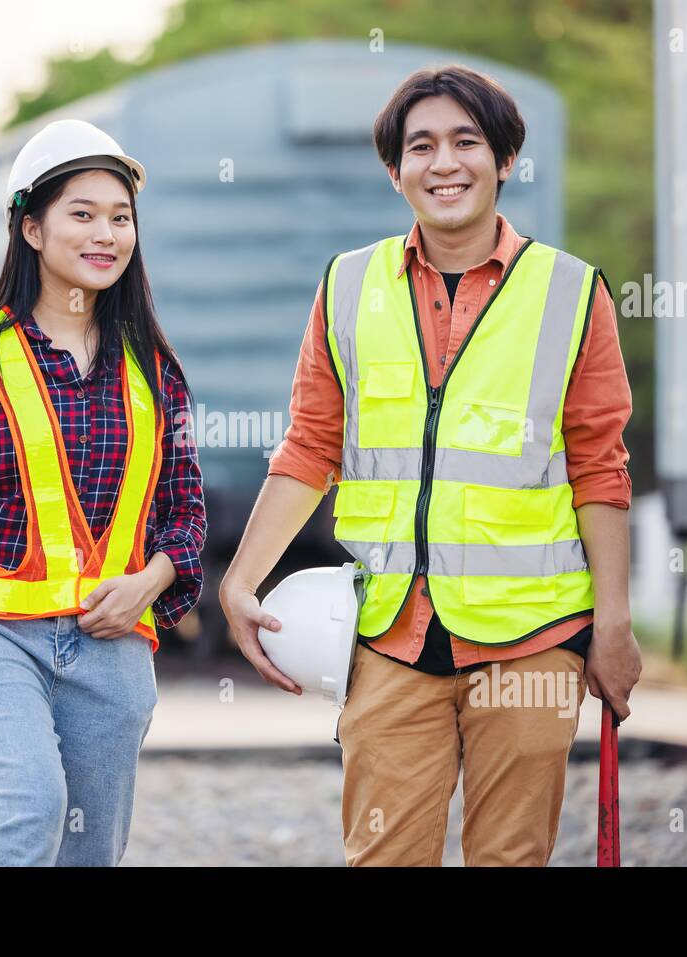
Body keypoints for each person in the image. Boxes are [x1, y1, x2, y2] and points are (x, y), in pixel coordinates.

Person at [220, 65, 641, 866]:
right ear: (395, 171)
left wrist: (612, 623)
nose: (444, 163)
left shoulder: (571, 292)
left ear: (505, 158)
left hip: (535, 639)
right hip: (390, 638)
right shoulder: (347, 286)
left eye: (465, 142)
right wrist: (241, 580)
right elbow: (311, 444)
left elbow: (599, 466)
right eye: (421, 147)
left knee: (510, 860)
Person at [0, 119, 206, 866]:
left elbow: (187, 519)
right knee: (33, 808)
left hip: (112, 645)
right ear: (31, 227)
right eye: (81, 214)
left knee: (90, 851)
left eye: (120, 218)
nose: (106, 234)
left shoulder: (156, 369)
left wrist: (146, 585)